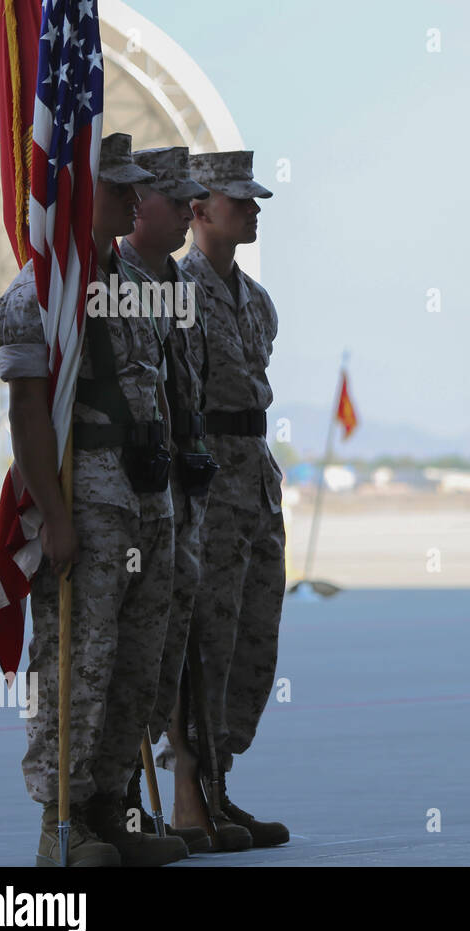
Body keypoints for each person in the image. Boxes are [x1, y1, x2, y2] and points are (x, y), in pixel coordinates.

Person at [0, 133, 187, 866]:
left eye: (139, 187)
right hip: (89, 498)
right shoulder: (41, 290)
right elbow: (29, 411)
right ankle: (62, 819)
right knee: (78, 662)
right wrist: (56, 514)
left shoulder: (132, 284)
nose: (136, 200)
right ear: (80, 194)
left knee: (142, 663)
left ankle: (113, 807)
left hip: (145, 499)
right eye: (119, 188)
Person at [119, 145, 249, 852]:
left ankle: (203, 792)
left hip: (194, 486)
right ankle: (147, 799)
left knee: (194, 650)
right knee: (133, 653)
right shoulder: (117, 284)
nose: (252, 211)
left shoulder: (175, 285)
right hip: (138, 492)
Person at [174, 150, 288, 848]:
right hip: (209, 475)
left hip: (255, 478)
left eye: (254, 200)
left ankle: (219, 784)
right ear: (198, 209)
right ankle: (189, 792)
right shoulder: (176, 289)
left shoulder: (256, 299)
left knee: (252, 639)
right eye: (238, 200)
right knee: (204, 639)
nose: (252, 211)